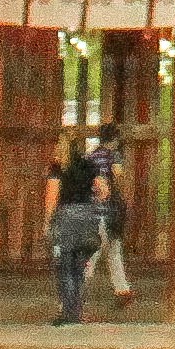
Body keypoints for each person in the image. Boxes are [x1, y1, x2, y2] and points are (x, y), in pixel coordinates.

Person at [47, 137, 109, 326]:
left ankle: (68, 312)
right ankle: (77, 311)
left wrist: (48, 221)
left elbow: (52, 196)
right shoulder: (88, 165)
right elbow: (104, 190)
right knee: (80, 268)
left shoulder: (58, 168)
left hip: (66, 217)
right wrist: (93, 202)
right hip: (87, 216)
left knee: (65, 267)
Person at [87, 131, 135, 314]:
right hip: (110, 213)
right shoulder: (113, 155)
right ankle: (121, 289)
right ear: (114, 140)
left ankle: (122, 289)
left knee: (102, 250)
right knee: (104, 252)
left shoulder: (91, 156)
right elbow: (119, 174)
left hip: (95, 211)